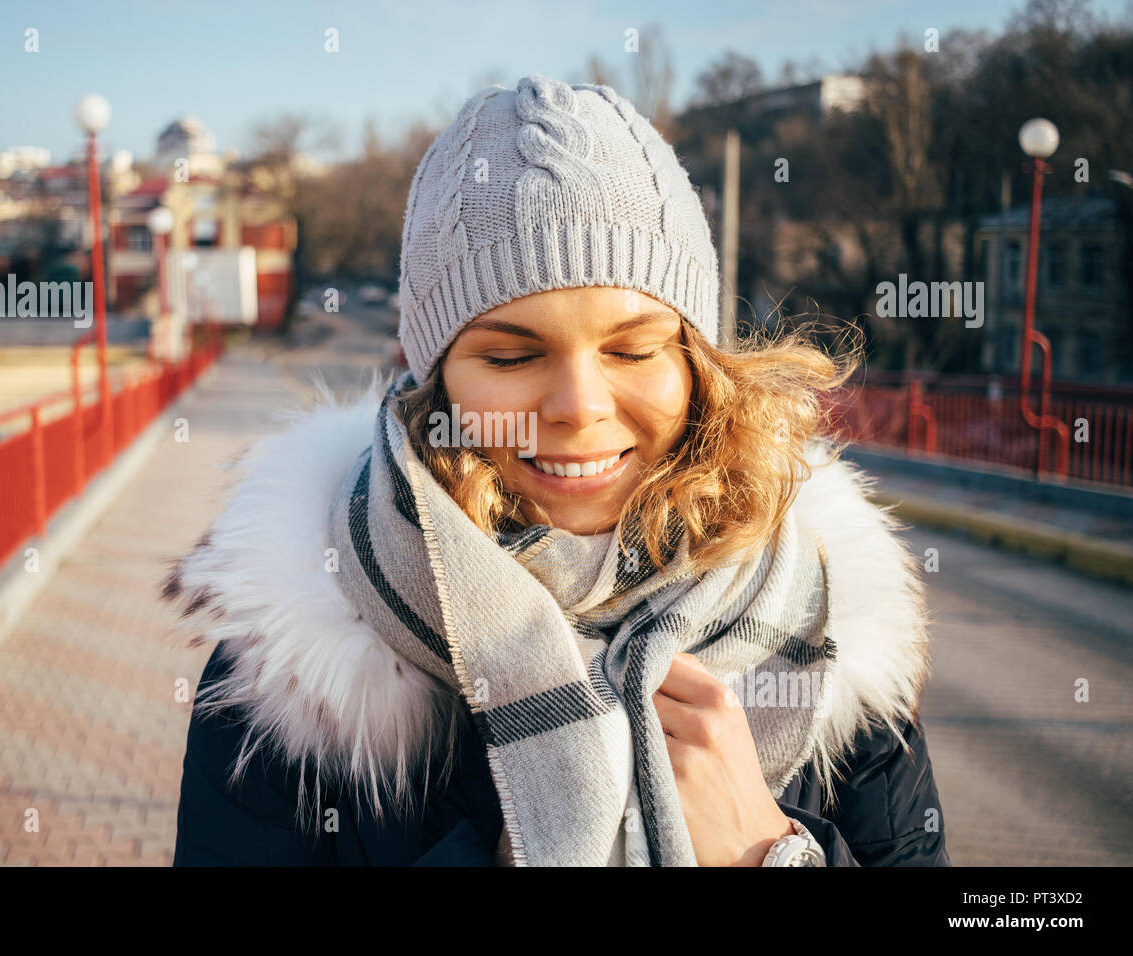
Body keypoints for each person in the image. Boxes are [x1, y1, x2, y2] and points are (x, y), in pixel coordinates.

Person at [164, 74, 950, 867]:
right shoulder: (290, 682)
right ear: (435, 378)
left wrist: (771, 854)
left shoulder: (828, 632)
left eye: (633, 349)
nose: (578, 406)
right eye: (511, 354)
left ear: (695, 365)